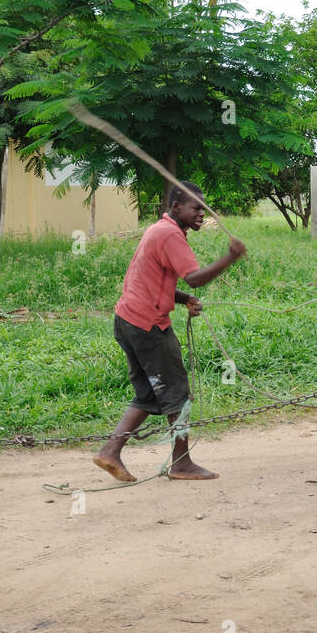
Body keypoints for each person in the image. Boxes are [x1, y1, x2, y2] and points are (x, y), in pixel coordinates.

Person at [93, 182, 245, 482]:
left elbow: (153, 278)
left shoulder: (158, 230)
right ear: (176, 208)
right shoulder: (171, 235)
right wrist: (231, 257)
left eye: (203, 209)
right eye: (196, 208)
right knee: (178, 393)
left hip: (127, 320)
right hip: (148, 325)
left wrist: (183, 300)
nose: (202, 214)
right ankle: (182, 464)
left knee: (149, 393)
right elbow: (195, 279)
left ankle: (109, 452)